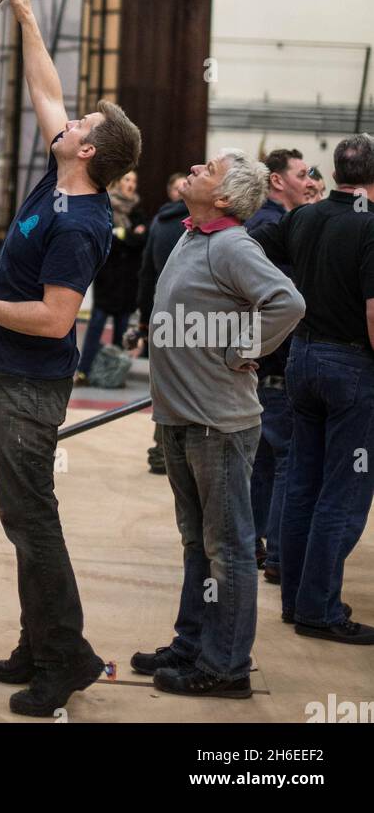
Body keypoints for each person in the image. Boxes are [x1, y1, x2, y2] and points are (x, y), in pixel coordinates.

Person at [0, 0, 141, 717]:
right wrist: (24, 15)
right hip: (12, 373)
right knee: (22, 517)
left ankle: (67, 658)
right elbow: (46, 89)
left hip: (32, 384)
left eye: (81, 125)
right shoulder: (62, 178)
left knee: (32, 518)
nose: (68, 122)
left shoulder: (80, 223)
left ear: (87, 152)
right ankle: (36, 640)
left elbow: (58, 321)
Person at [133, 150, 305, 697]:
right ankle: (192, 644)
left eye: (208, 170)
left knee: (228, 550)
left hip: (218, 424)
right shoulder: (192, 234)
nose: (195, 170)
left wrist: (241, 349)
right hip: (182, 417)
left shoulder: (232, 244)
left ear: (226, 199)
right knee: (197, 543)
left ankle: (226, 667)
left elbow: (288, 302)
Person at [251, 134, 374, 644]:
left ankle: (297, 599)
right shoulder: (369, 226)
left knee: (302, 482)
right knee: (342, 493)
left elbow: (257, 259)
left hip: (302, 358)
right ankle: (319, 609)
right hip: (350, 365)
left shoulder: (302, 217)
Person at [245, 149, 313, 581]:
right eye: (303, 174)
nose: (309, 182)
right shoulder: (273, 228)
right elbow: (284, 299)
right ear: (276, 180)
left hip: (261, 363)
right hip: (275, 362)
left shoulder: (268, 224)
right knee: (286, 457)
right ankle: (280, 556)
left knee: (264, 458)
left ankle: (253, 542)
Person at [131, 171, 189, 473]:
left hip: (160, 314)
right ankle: (176, 454)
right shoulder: (197, 225)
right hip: (194, 319)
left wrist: (143, 321)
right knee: (189, 387)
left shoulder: (158, 221)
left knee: (164, 386)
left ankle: (160, 451)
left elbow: (146, 274)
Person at [75, 170, 147, 383]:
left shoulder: (137, 212)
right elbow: (105, 239)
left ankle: (115, 374)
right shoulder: (107, 207)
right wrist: (129, 235)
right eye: (127, 179)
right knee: (95, 327)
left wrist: (122, 234)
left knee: (121, 330)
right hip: (107, 279)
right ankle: (84, 372)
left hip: (127, 282)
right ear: (118, 182)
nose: (131, 184)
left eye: (134, 180)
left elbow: (142, 240)